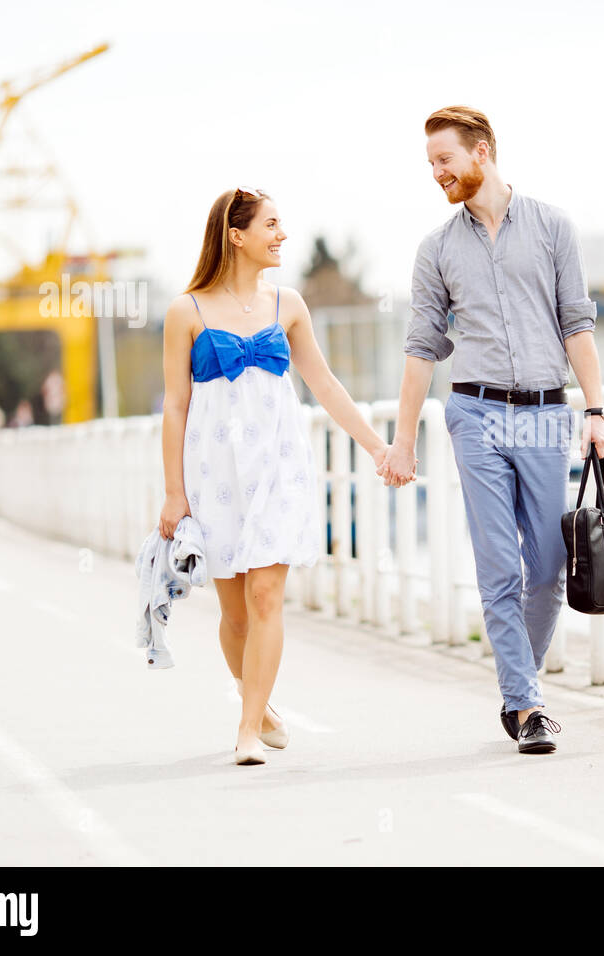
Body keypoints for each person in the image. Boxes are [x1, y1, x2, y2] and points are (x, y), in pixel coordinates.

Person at [379, 107, 604, 754]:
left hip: (544, 414)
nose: (437, 174)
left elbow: (577, 325)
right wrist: (403, 440)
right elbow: (421, 348)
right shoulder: (436, 250)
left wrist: (596, 410)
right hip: (474, 414)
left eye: (444, 160)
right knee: (499, 567)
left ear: (482, 152)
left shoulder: (553, 228)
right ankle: (530, 705)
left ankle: (517, 686)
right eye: (430, 165)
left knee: (546, 567)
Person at [158, 187, 394, 765]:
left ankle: (244, 731)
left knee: (267, 596)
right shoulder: (185, 311)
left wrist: (376, 447)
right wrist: (173, 494)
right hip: (215, 473)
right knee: (234, 614)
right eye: (271, 224)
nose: (282, 234)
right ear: (235, 235)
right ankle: (258, 703)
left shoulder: (289, 304)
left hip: (279, 467)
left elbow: (324, 383)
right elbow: (174, 407)